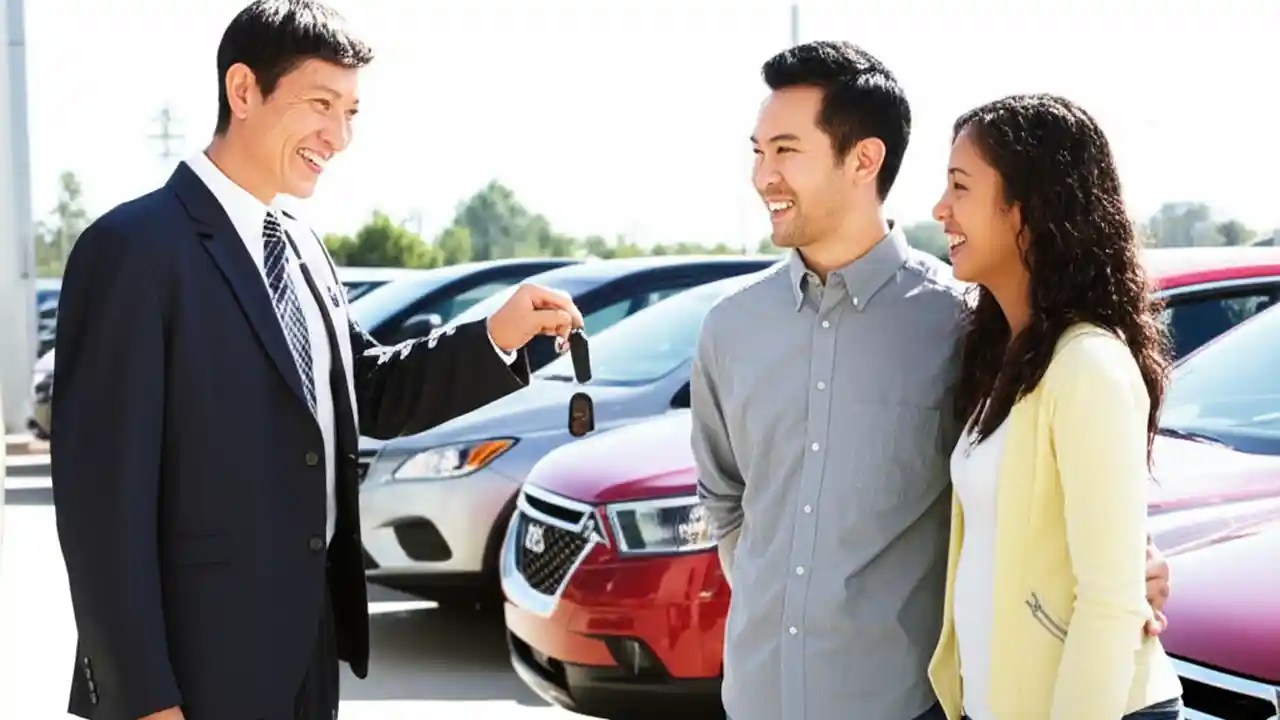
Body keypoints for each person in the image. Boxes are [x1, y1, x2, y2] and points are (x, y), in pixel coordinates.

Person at [50, 2, 582, 719]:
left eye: (353, 111)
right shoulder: (134, 251)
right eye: (321, 104)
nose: (340, 136)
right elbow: (100, 511)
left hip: (304, 656)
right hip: (190, 676)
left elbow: (372, 392)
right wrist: (142, 698)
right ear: (243, 92)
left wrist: (498, 335)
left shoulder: (300, 247)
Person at [691, 41, 1171, 720]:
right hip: (759, 700)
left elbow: (1045, 489)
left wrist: (1131, 565)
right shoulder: (729, 330)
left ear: (863, 159)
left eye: (786, 151)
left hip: (910, 706)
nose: (762, 176)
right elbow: (727, 499)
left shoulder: (967, 326)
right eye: (758, 151)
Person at [925, 94, 1184, 720]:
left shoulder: (1087, 366)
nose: (940, 209)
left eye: (960, 186)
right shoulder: (1005, 358)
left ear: (1028, 212)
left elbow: (1110, 600)